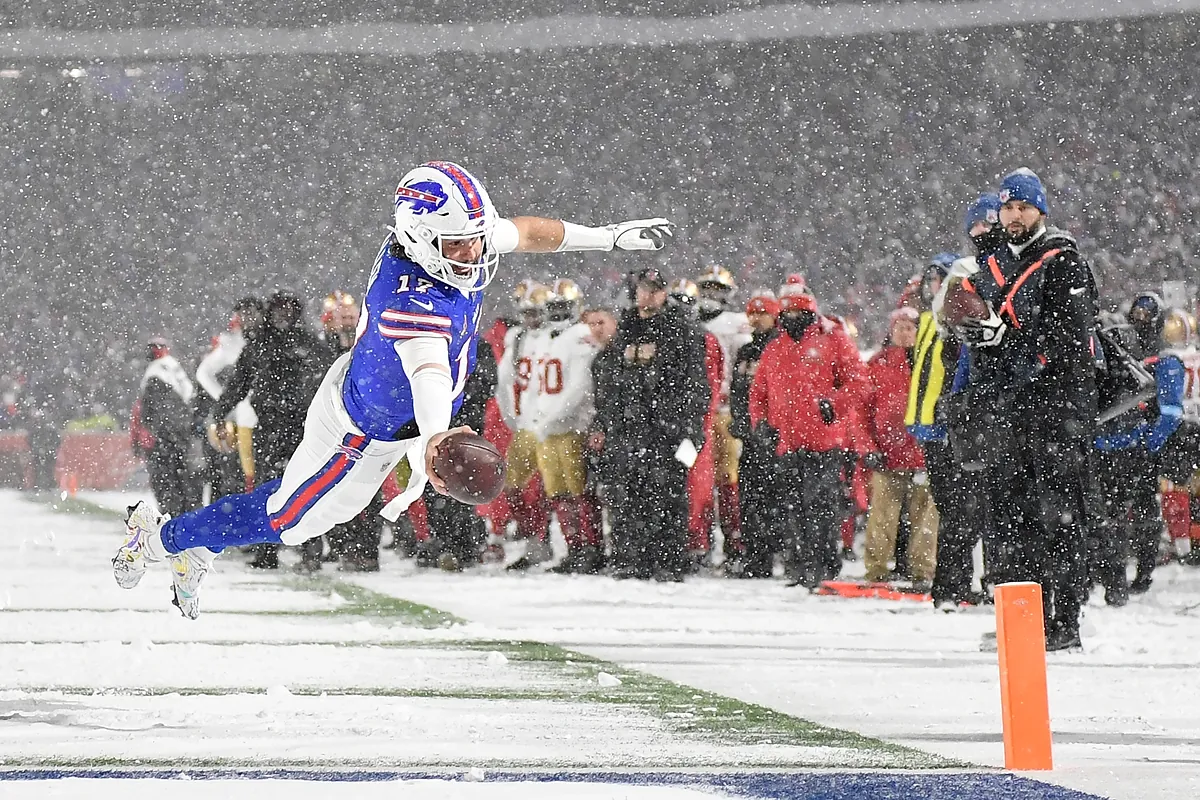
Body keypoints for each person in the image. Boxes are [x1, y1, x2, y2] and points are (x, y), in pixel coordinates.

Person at [113, 160, 673, 618]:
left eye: (476, 240)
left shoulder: (448, 241)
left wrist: (608, 237)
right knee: (288, 519)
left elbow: (525, 232)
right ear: (423, 239)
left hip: (383, 410)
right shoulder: (414, 308)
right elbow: (430, 381)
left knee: (316, 516)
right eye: (459, 246)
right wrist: (438, 442)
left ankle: (193, 541)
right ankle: (163, 538)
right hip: (358, 429)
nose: (475, 254)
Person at [954, 169, 1099, 651]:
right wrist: (977, 340)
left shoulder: (1065, 262)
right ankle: (1021, 623)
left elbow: (1069, 344)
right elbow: (988, 345)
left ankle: (1064, 623)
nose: (1014, 216)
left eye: (1023, 207)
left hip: (1057, 411)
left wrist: (1006, 341)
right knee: (1007, 521)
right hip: (1007, 412)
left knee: (1059, 517)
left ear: (1041, 211)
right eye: (1008, 207)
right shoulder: (990, 266)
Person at [749, 283, 868, 589]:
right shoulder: (775, 347)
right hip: (788, 442)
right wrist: (761, 423)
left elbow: (858, 382)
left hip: (825, 442)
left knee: (821, 507)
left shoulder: (834, 341)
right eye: (787, 311)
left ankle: (823, 564)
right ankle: (799, 564)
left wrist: (833, 405)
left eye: (797, 311)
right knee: (793, 506)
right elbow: (759, 391)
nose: (791, 317)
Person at [596, 268, 709, 581]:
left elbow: (696, 385)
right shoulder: (626, 330)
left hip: (666, 431)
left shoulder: (681, 330)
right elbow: (610, 383)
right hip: (629, 431)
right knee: (627, 497)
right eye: (644, 289)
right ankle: (631, 559)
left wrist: (690, 432)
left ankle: (669, 562)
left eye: (656, 289)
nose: (649, 295)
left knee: (669, 497)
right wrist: (608, 423)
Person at [530, 279, 605, 574]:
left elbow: (580, 387)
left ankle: (591, 547)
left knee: (579, 491)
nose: (558, 313)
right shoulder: (547, 337)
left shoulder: (580, 336)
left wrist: (551, 417)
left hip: (572, 426)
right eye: (554, 307)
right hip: (548, 427)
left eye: (563, 307)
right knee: (557, 492)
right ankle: (574, 548)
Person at [861, 308, 938, 591]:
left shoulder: (928, 361)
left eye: (910, 328)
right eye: (900, 327)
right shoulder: (877, 365)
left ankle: (923, 570)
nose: (905, 333)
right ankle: (876, 570)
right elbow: (863, 410)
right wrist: (868, 446)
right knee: (882, 516)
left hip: (921, 452)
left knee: (925, 519)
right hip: (888, 453)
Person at [728, 289, 781, 578]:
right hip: (750, 437)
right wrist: (740, 420)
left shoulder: (780, 348)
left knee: (773, 499)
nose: (757, 319)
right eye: (753, 313)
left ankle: (772, 553)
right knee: (750, 498)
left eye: (763, 313)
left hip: (773, 436)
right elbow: (738, 390)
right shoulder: (746, 351)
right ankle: (755, 555)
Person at [134, 337, 201, 519]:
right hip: (180, 432)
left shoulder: (156, 372)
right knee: (182, 476)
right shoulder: (174, 366)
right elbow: (189, 395)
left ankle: (172, 515)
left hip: (165, 436)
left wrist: (155, 430)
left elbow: (149, 408)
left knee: (165, 479)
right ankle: (186, 514)